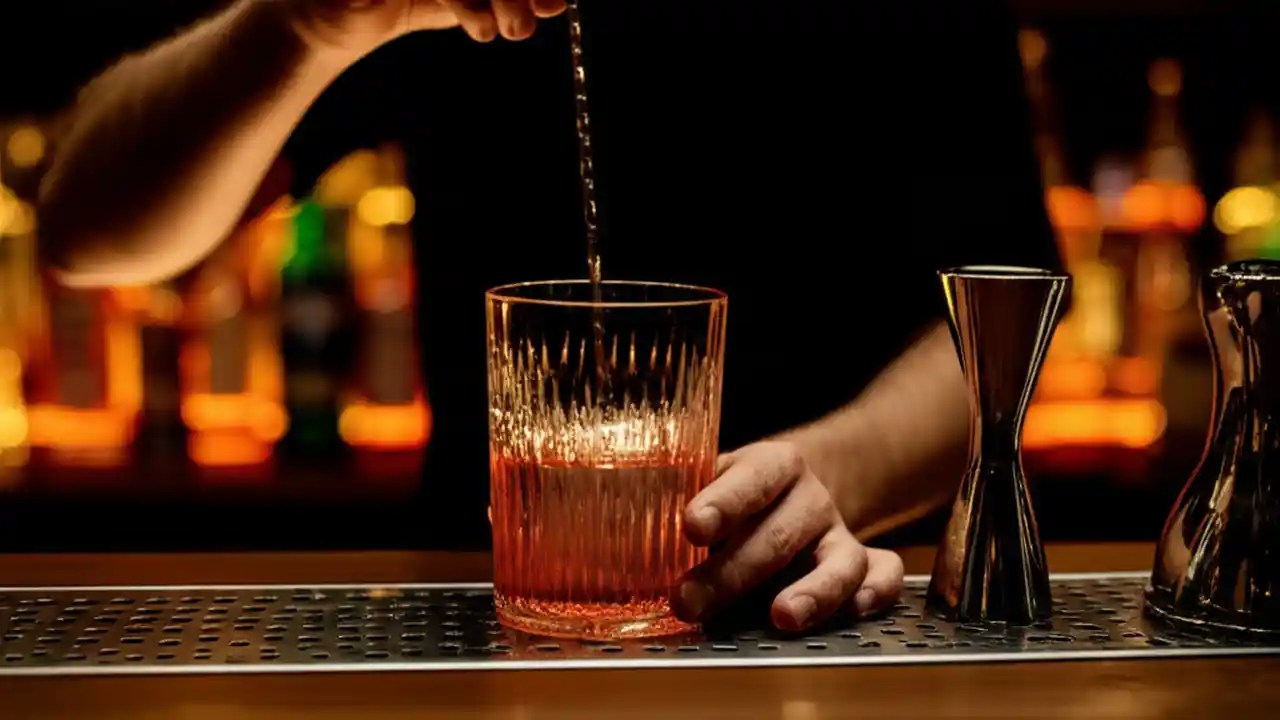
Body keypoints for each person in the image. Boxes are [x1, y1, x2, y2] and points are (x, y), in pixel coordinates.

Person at [33, 0, 1061, 632]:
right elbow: (83, 228)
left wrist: (814, 482)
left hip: (813, 603)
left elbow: (1006, 319)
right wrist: (305, 23)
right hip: (486, 620)